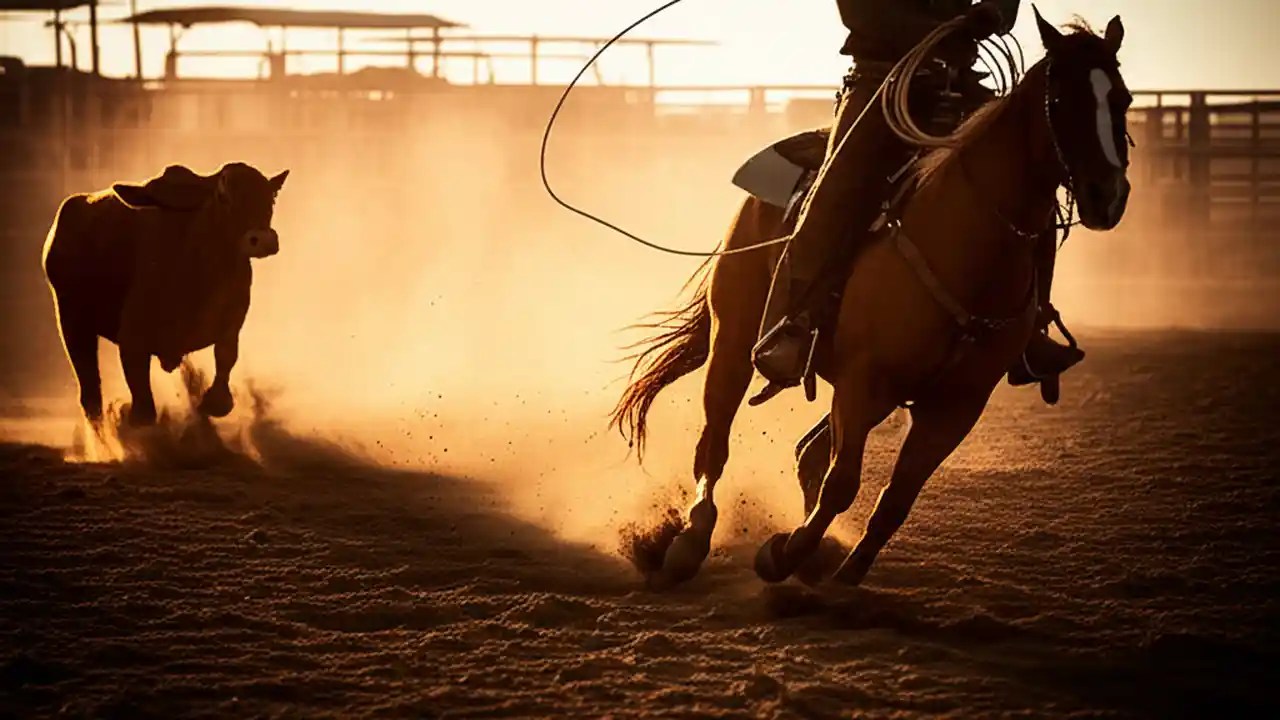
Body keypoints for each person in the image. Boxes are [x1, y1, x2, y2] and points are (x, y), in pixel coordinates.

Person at [753, 0, 1083, 402]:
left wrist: (993, 13)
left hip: (960, 82)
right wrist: (947, 27)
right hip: (880, 80)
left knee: (1030, 179)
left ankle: (1031, 327)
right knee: (836, 190)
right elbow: (860, 12)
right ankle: (796, 323)